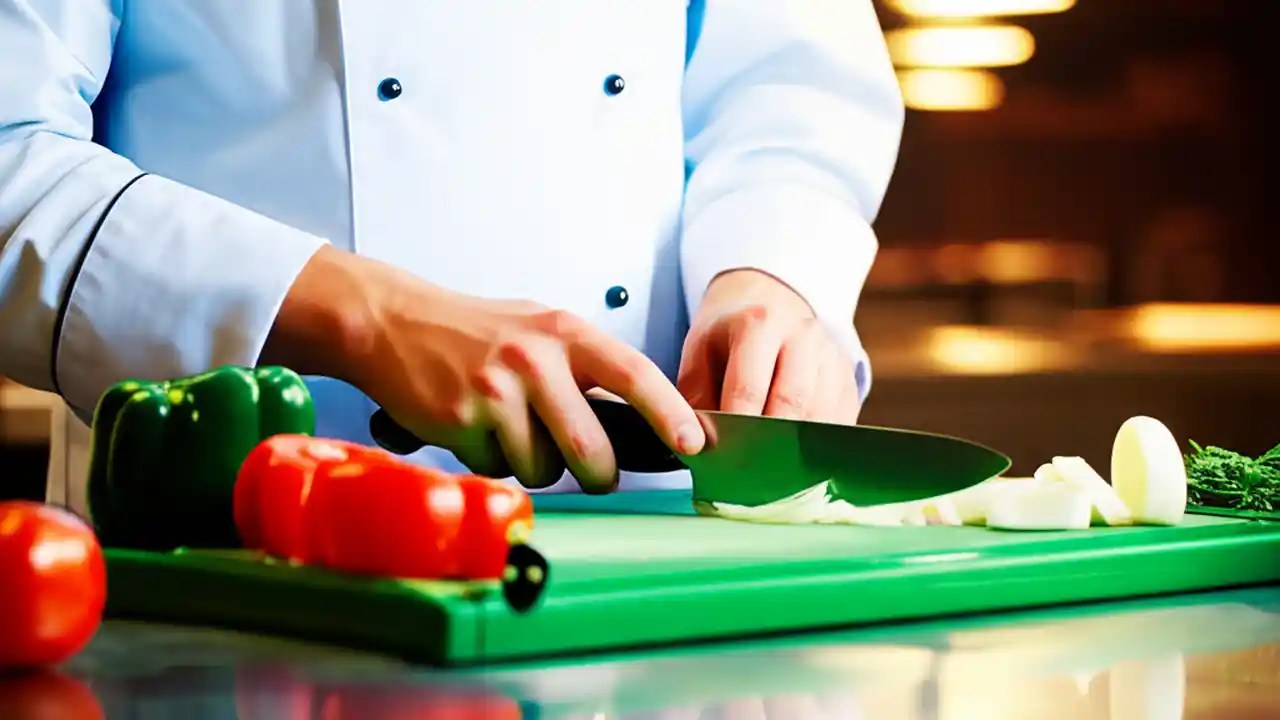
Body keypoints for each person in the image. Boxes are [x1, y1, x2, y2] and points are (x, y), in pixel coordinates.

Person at [0, 1, 903, 515]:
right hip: (239, 532)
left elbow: (787, 89)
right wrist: (363, 317)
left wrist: (771, 269)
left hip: (659, 529)